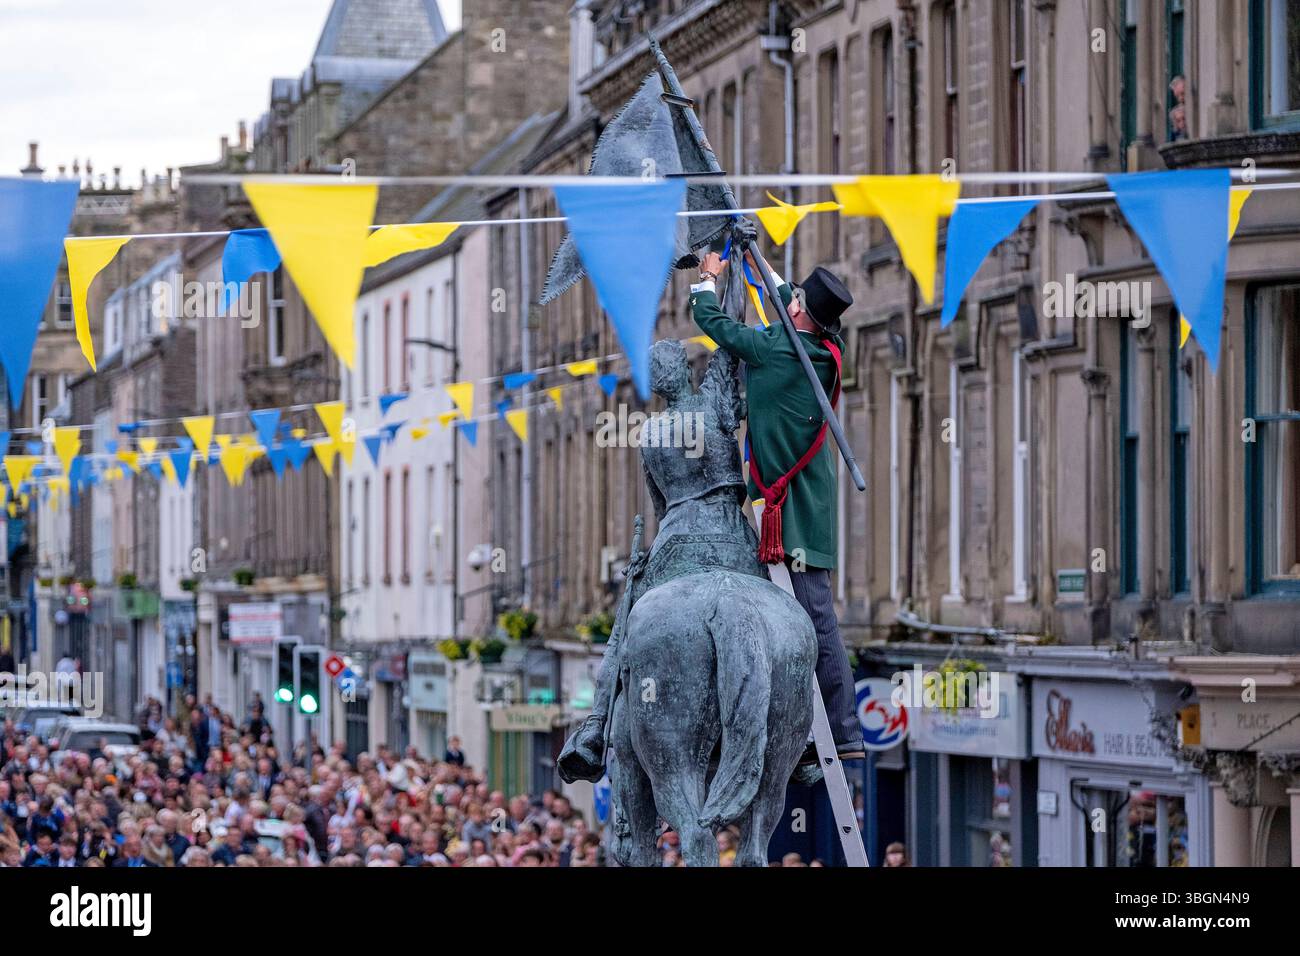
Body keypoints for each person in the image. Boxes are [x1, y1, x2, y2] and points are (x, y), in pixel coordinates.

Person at [692, 246, 866, 762]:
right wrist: (754, 257)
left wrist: (708, 278)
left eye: (794, 303)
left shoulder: (775, 349)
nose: (787, 303)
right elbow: (786, 292)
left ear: (797, 317)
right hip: (806, 504)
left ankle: (844, 729)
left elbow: (714, 322)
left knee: (816, 619)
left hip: (791, 514)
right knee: (797, 617)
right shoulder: (827, 350)